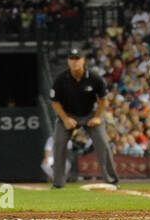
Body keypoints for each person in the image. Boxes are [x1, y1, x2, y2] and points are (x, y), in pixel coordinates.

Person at [49, 47, 119, 188]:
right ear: (68, 61)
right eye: (71, 59)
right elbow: (54, 102)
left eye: (77, 59)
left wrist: (98, 117)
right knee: (58, 144)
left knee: (103, 143)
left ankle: (112, 180)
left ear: (83, 60)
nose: (74, 62)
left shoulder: (94, 77)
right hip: (68, 115)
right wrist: (65, 119)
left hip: (90, 114)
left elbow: (103, 99)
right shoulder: (61, 79)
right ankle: (58, 183)